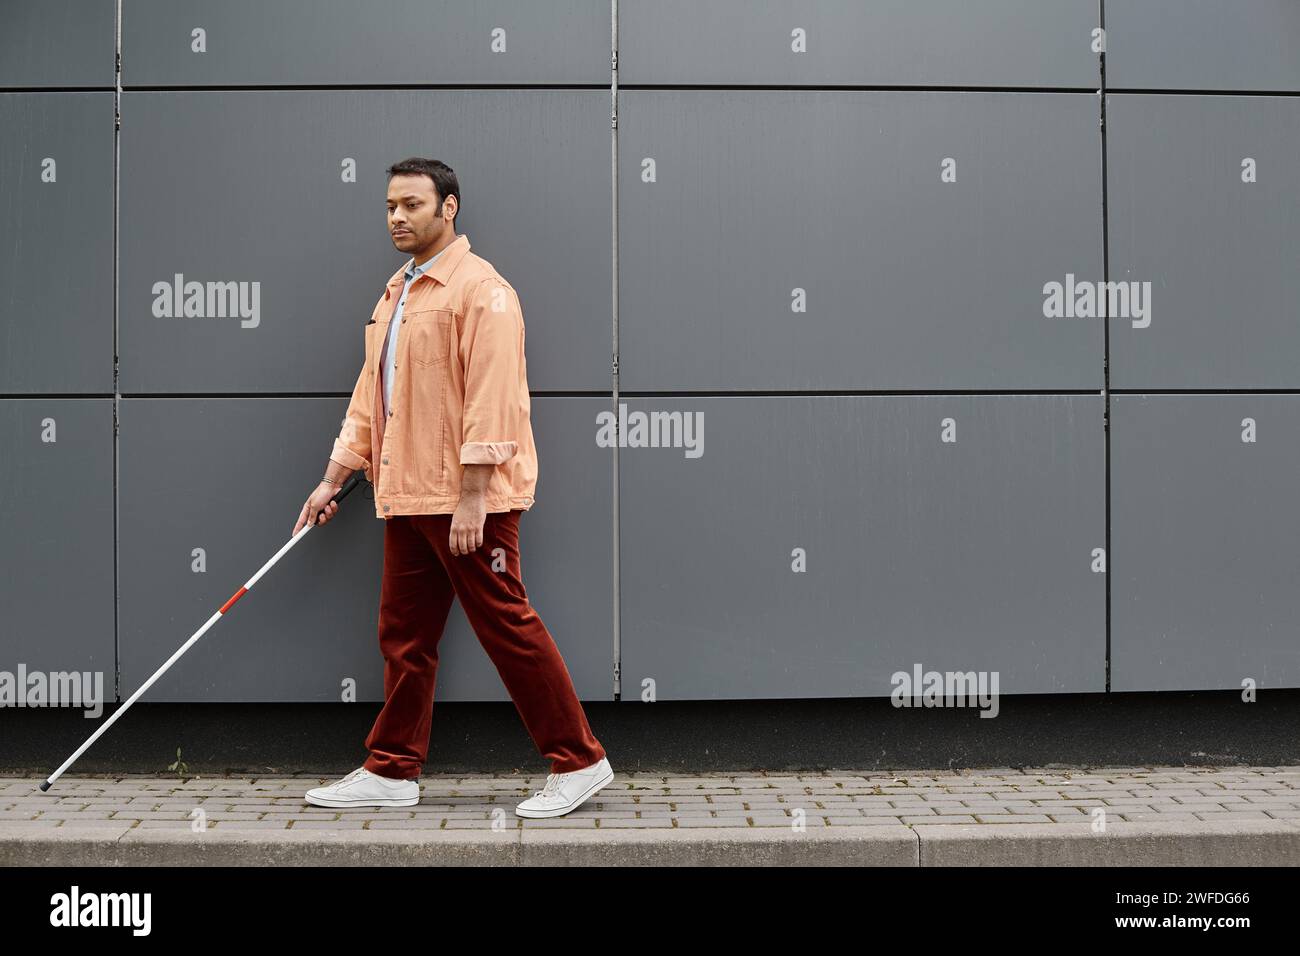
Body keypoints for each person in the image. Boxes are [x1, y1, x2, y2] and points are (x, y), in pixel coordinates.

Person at [291, 157, 612, 818]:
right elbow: (370, 396)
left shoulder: (481, 290)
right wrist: (333, 479)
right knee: (403, 635)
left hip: (469, 502)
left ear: (450, 207)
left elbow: (493, 398)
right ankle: (392, 769)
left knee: (506, 626)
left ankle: (580, 761)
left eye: (411, 204)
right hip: (406, 494)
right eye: (389, 206)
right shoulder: (397, 293)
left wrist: (473, 494)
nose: (397, 218)